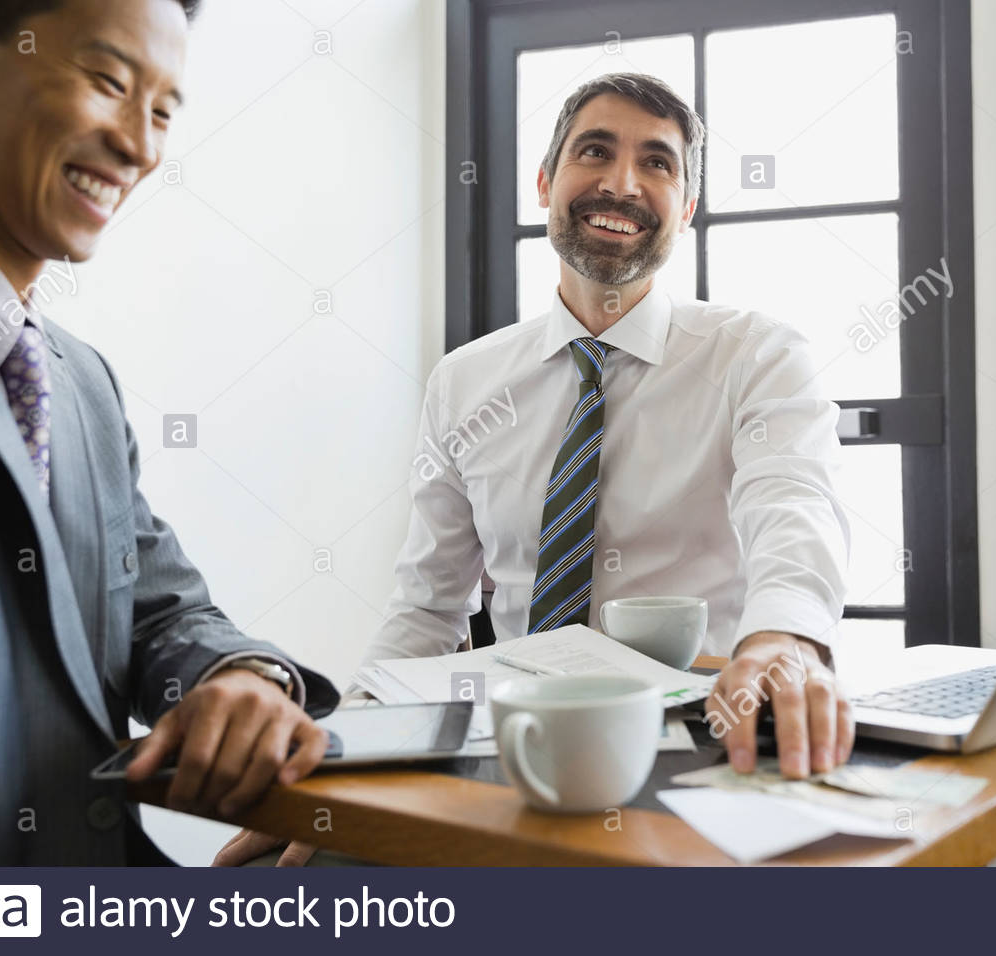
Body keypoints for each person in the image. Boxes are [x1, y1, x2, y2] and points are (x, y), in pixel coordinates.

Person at [218, 72, 851, 867]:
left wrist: (785, 639)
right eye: (596, 151)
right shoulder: (465, 382)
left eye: (658, 163)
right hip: (511, 754)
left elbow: (794, 505)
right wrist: (336, 762)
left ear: (685, 209)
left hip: (706, 749)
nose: (622, 182)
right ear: (547, 181)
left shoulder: (758, 355)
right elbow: (426, 607)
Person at [0, 0, 339, 865]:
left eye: (162, 111)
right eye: (108, 82)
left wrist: (238, 680)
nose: (141, 145)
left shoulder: (78, 383)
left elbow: (162, 612)